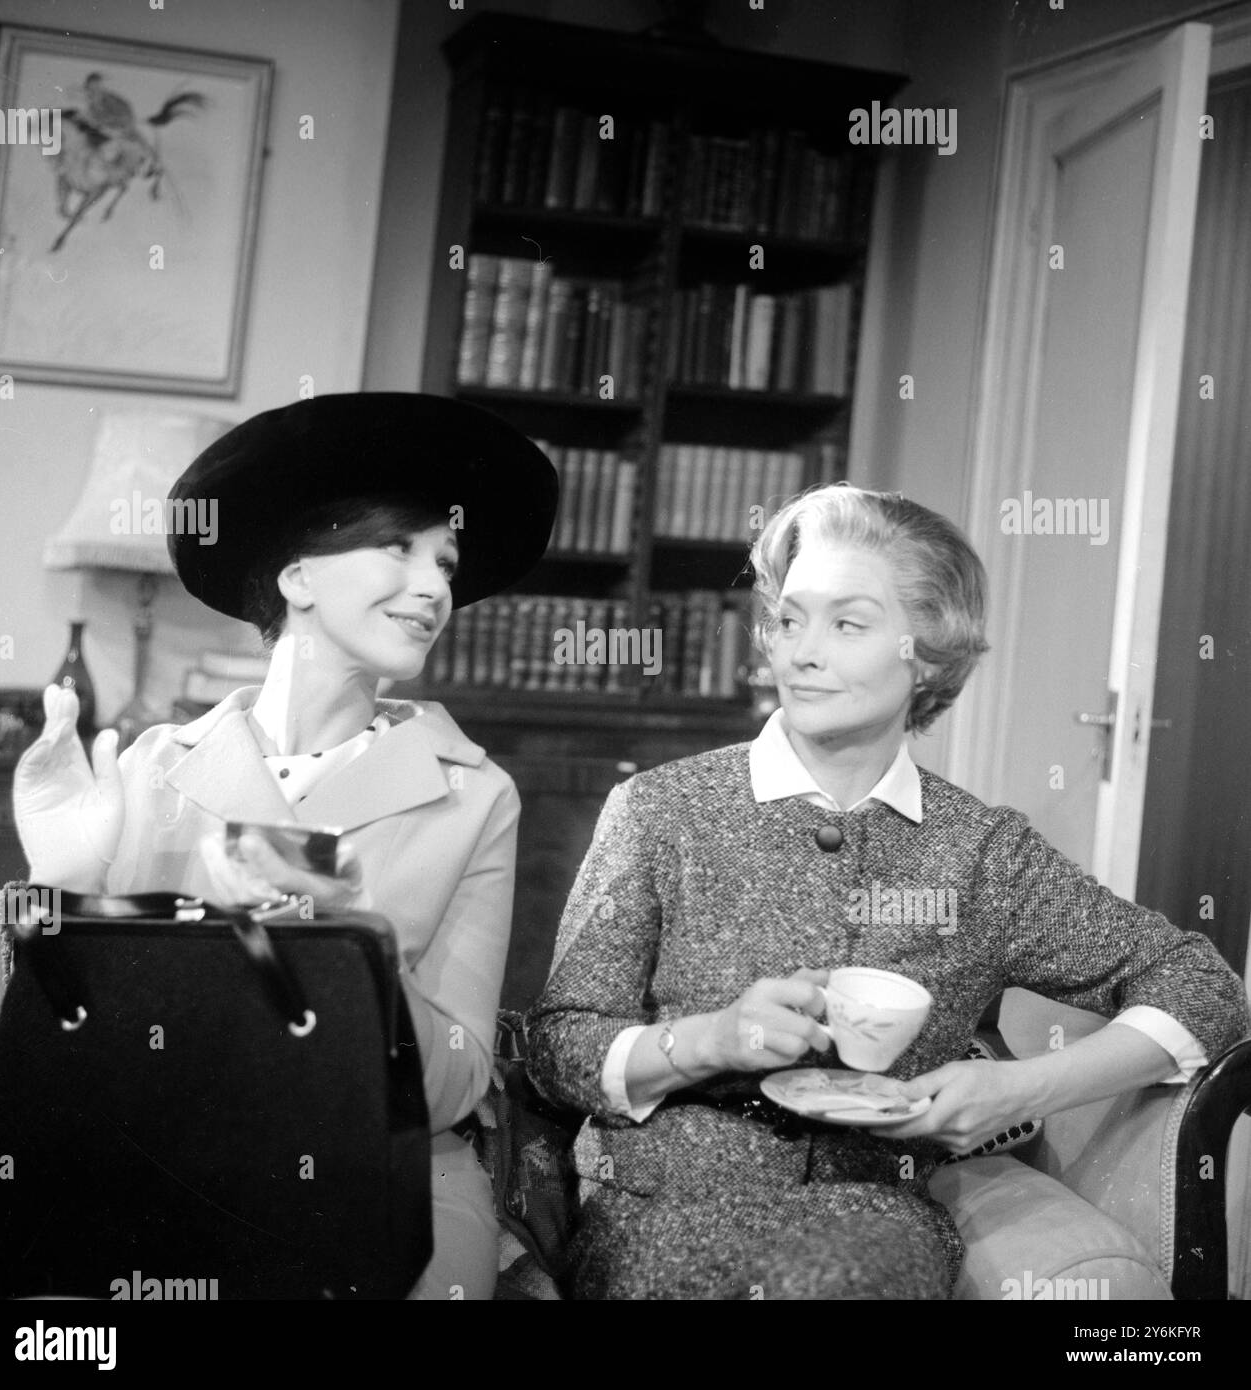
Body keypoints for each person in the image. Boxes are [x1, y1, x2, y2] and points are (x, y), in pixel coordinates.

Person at [524, 483, 1250, 1300]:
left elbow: (1201, 984)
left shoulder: (983, 854)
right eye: (790, 619)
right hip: (660, 1200)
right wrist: (709, 1040)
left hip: (874, 1209)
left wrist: (1023, 1086)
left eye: (848, 623)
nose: (801, 650)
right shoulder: (661, 810)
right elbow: (558, 1048)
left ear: (928, 652)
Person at [13, 392, 558, 1301]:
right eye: (399, 547)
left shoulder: (478, 795)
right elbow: (56, 1060)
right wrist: (59, 889)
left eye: (446, 562)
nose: (435, 587)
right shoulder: (149, 771)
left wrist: (353, 946)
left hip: (389, 1174)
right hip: (172, 1156)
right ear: (299, 576)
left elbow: (458, 1083)